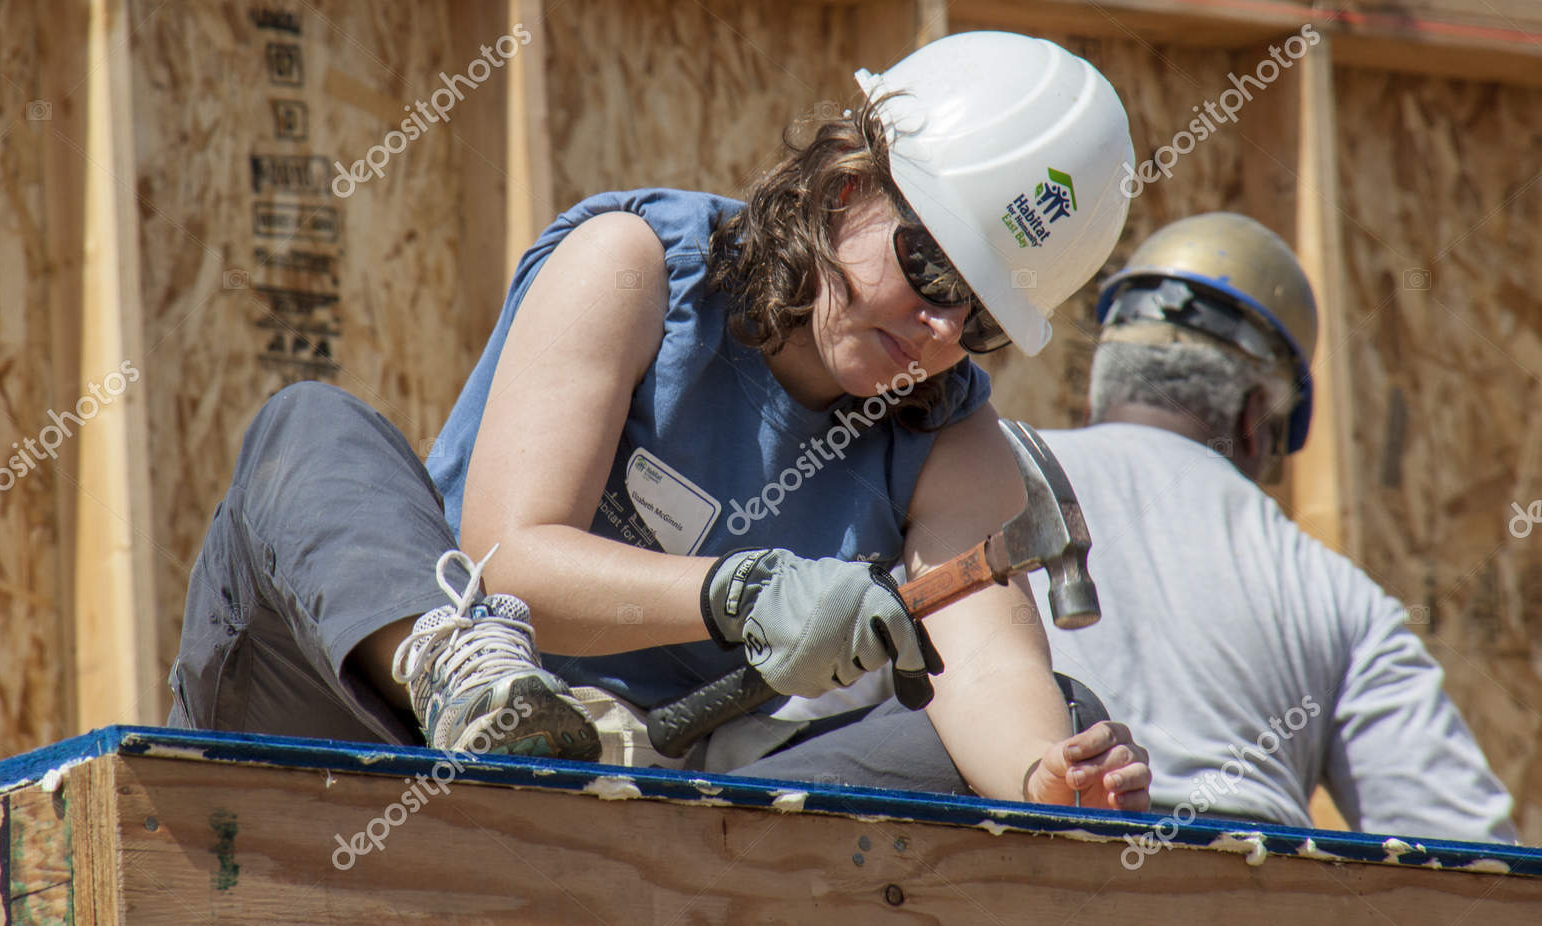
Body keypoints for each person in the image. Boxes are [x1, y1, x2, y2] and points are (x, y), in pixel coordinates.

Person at [165, 31, 1151, 811]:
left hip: (633, 790)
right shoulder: (637, 266)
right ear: (849, 189)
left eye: (977, 319)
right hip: (379, 723)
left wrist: (1041, 777)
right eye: (931, 270)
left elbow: (985, 667)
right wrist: (738, 593)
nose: (939, 331)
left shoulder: (949, 439)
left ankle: (665, 863)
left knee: (1061, 717)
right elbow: (508, 558)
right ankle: (467, 682)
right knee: (310, 426)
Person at [1024, 211, 1517, 842]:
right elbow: (1470, 854)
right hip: (1249, 919)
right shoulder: (1340, 595)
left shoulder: (990, 479)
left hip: (1019, 881)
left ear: (1100, 382)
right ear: (1257, 418)